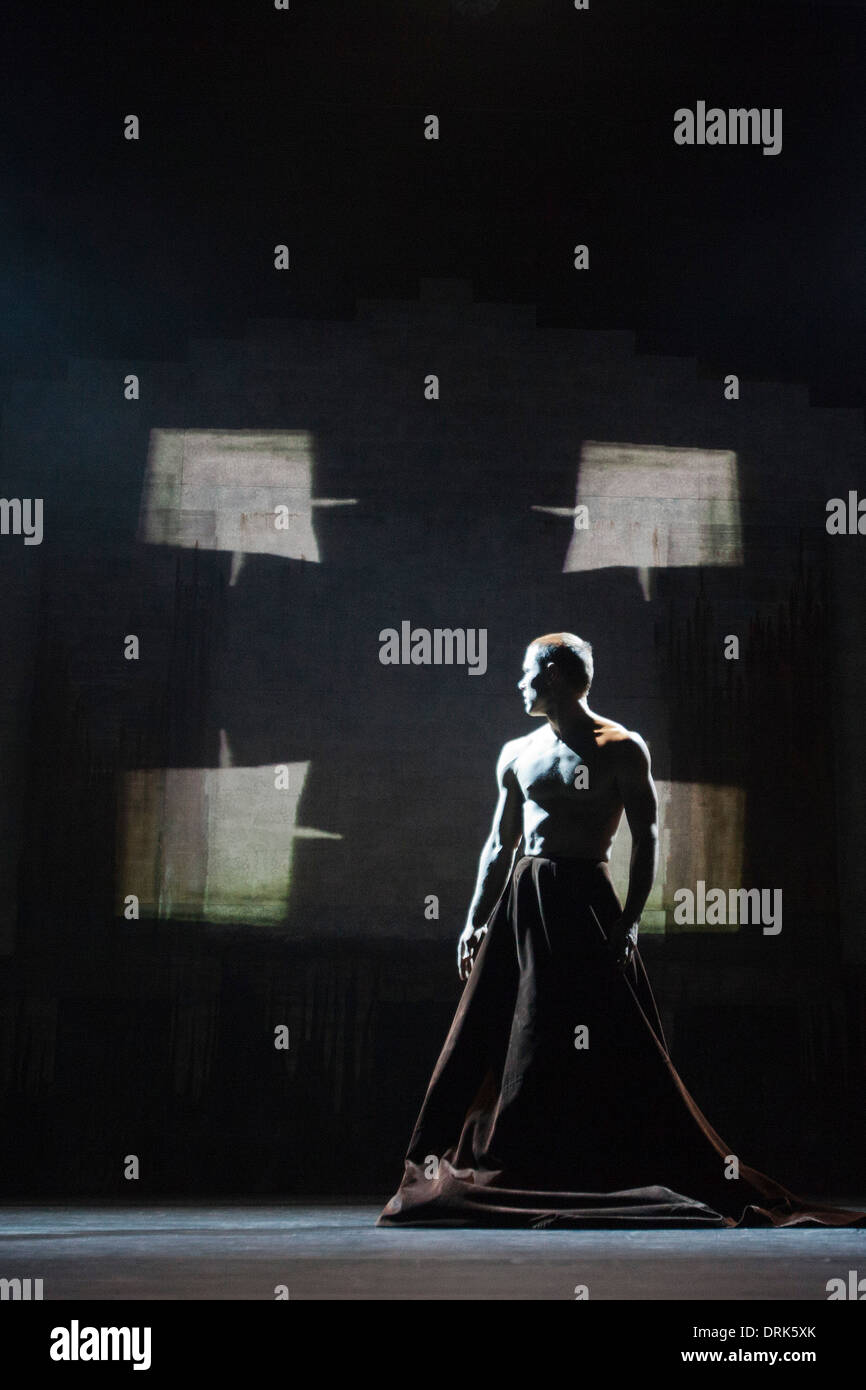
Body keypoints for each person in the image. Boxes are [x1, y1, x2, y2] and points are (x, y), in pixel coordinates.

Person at [377, 632, 866, 1229]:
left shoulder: (621, 747)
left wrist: (629, 920)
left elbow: (647, 837)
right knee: (506, 1035)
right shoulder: (516, 752)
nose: (518, 683)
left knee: (595, 1041)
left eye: (527, 671)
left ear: (555, 674)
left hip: (585, 904)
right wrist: (474, 919)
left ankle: (598, 1162)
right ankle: (522, 1160)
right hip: (523, 907)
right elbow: (499, 843)